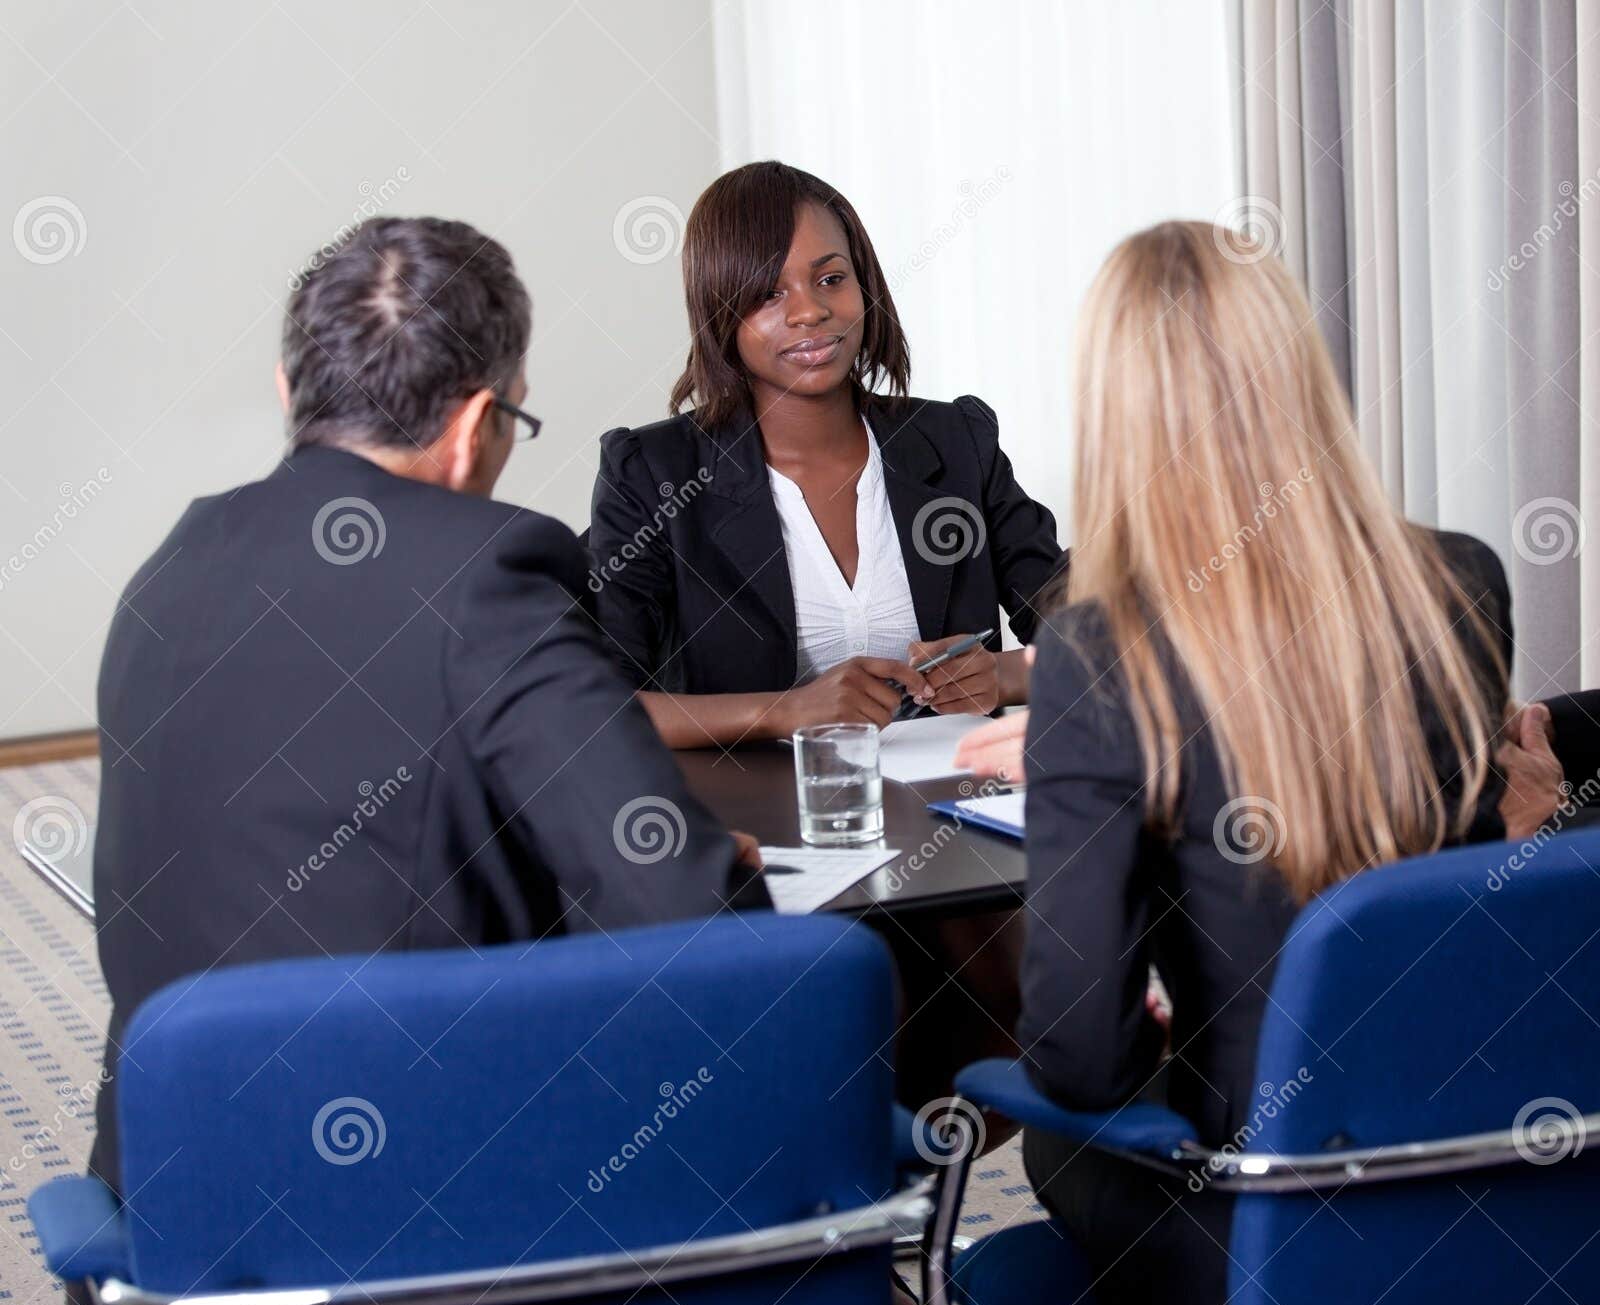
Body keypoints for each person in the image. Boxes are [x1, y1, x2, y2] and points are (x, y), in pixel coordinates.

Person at [90, 217, 764, 1195]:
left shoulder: (169, 569)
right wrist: (690, 864)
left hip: (170, 1198)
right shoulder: (488, 574)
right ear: (475, 423)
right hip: (416, 1208)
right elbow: (692, 917)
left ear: (287, 390)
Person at [962, 220, 1541, 1305]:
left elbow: (1079, 1059)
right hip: (1466, 1168)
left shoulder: (1098, 654)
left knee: (1054, 1145)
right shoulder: (1460, 582)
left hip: (1262, 1212)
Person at [588, 161, 1065, 749]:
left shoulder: (957, 442)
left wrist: (1007, 674)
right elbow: (594, 705)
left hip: (959, 795)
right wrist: (784, 710)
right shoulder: (653, 473)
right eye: (768, 293)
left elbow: (1102, 639)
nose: (809, 311)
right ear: (720, 310)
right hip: (757, 804)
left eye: (831, 279)